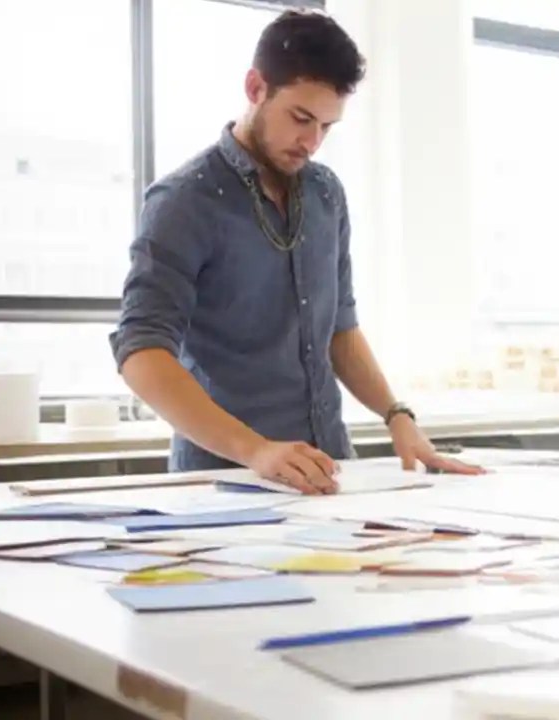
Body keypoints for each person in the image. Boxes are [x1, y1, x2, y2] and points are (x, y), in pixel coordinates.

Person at [110, 10, 482, 494]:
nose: (312, 142)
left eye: (327, 126)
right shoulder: (184, 200)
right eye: (301, 118)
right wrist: (257, 451)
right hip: (226, 482)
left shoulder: (327, 194)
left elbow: (339, 330)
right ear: (255, 87)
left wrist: (396, 414)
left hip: (329, 472)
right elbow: (142, 352)